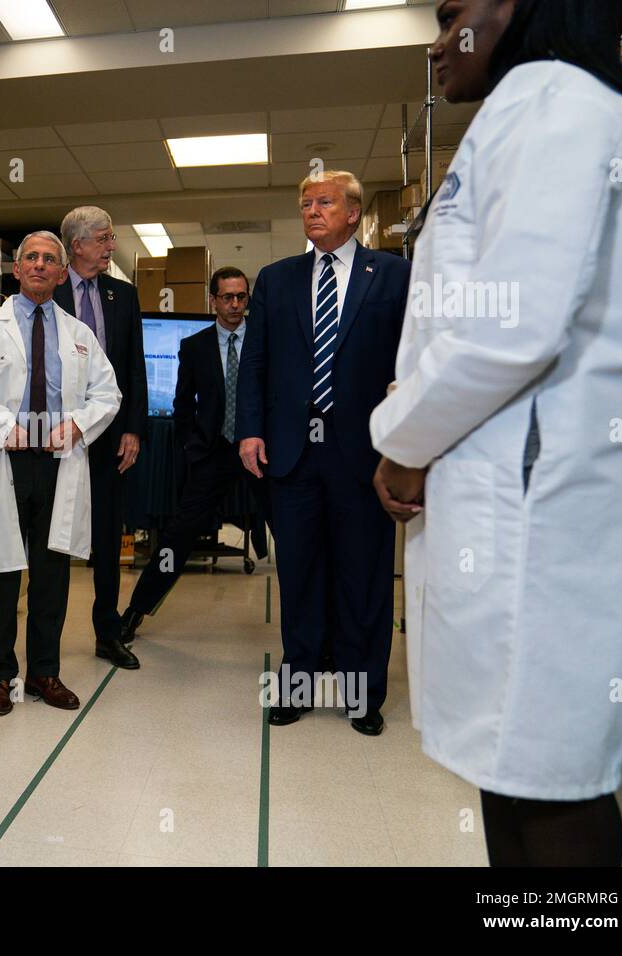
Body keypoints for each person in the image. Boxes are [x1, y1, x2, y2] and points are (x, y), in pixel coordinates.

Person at [369, 0, 622, 866]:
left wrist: (404, 440)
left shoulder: (557, 101)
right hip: (511, 487)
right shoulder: (531, 105)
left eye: (451, 15)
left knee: (549, 776)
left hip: (544, 500)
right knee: (511, 765)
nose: (436, 45)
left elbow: (513, 326)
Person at [235, 170, 410, 735]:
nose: (312, 210)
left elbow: (412, 361)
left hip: (364, 451)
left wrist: (408, 442)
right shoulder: (276, 279)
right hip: (293, 452)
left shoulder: (392, 274)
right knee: (301, 572)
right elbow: (255, 363)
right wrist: (250, 430)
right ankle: (299, 683)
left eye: (325, 202)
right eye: (305, 202)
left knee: (364, 574)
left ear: (353, 213)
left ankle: (363, 692)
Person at [0, 231, 121, 716]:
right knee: (1, 571)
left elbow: (108, 396)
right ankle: (0, 678)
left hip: (58, 462)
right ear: (17, 267)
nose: (41, 265)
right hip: (3, 459)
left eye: (51, 259)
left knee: (52, 574)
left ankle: (45, 673)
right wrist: (4, 428)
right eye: (32, 258)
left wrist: (75, 426)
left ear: (62, 273)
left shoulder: (79, 336)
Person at [121, 267, 266, 640]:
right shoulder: (195, 346)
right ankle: (136, 611)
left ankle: (321, 628)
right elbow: (183, 403)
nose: (235, 305)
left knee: (296, 533)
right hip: (212, 454)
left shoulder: (264, 342)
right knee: (178, 536)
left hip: (259, 452)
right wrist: (191, 446)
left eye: (241, 297)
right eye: (227, 297)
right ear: (213, 300)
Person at [52, 206, 147, 670]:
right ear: (78, 246)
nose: (112, 246)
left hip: (109, 435)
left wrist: (133, 427)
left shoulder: (123, 296)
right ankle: (45, 642)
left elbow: (134, 366)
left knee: (108, 538)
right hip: (59, 435)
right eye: (105, 239)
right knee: (53, 537)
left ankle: (107, 634)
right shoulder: (47, 290)